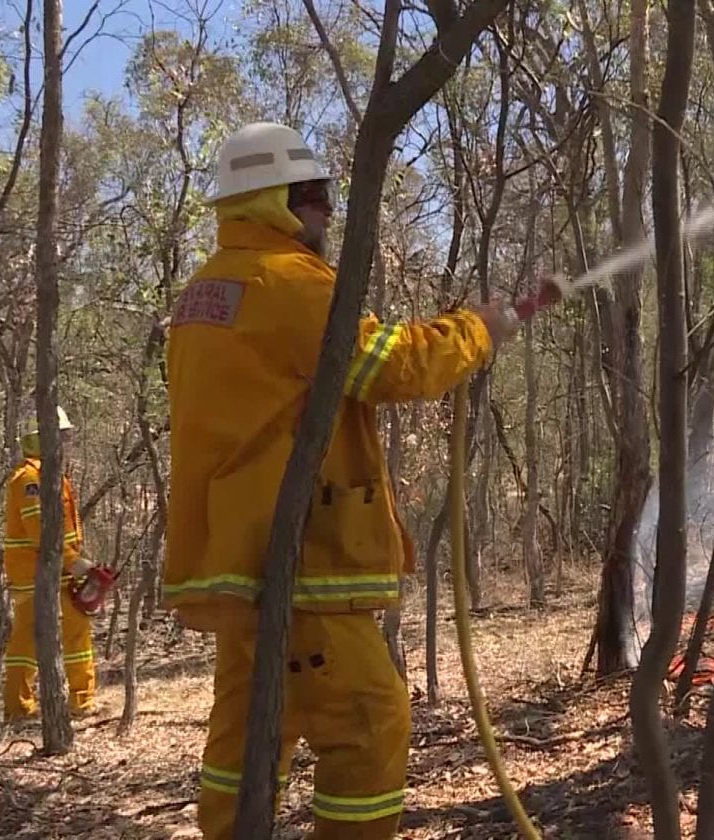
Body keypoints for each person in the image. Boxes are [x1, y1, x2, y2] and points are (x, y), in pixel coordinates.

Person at [163, 121, 519, 840]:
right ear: (275, 198)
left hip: (237, 560)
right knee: (367, 723)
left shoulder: (205, 290)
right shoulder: (288, 281)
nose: (327, 211)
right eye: (316, 195)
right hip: (302, 556)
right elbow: (387, 366)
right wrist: (476, 330)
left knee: (250, 724)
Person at [2, 405, 96, 721]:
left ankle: (80, 702)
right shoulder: (30, 478)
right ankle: (21, 707)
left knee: (75, 633)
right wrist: (73, 563)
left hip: (56, 572)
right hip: (36, 575)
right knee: (29, 639)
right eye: (59, 436)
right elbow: (39, 530)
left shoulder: (49, 476)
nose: (64, 442)